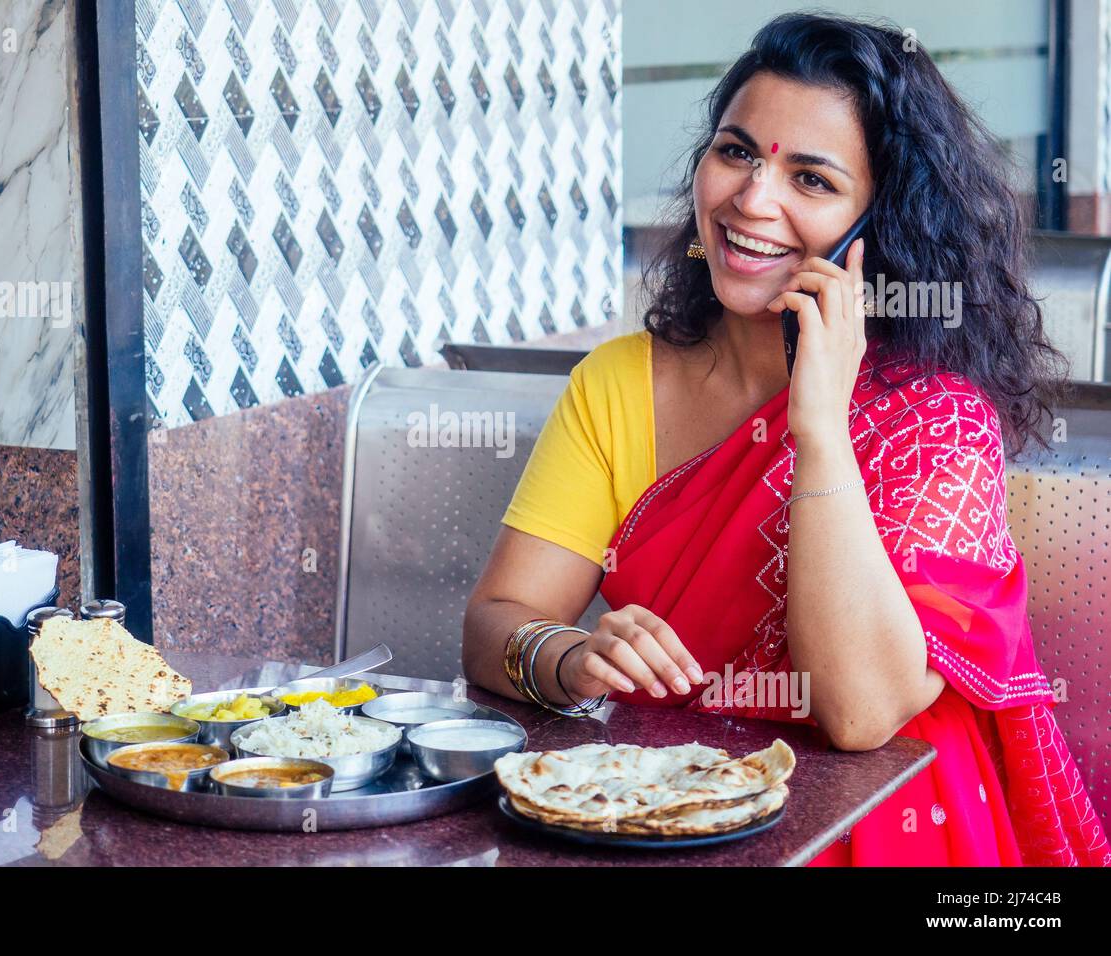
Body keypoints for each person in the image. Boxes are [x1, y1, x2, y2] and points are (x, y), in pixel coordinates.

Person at [461, 13, 1108, 866]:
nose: (752, 201)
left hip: (892, 824)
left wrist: (821, 427)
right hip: (681, 807)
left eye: (810, 178)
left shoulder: (935, 419)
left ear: (885, 222)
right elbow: (493, 624)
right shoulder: (619, 382)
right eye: (736, 152)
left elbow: (860, 710)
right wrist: (568, 654)